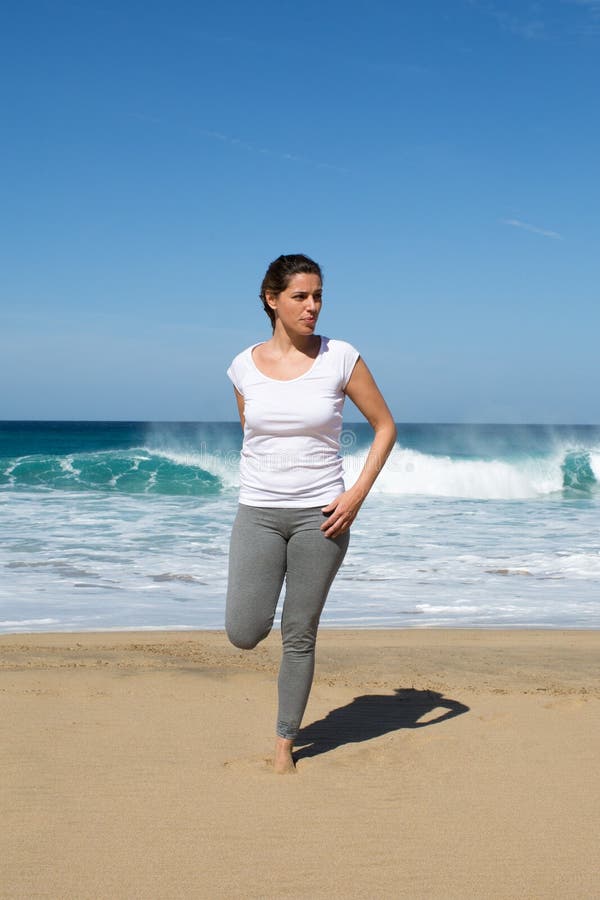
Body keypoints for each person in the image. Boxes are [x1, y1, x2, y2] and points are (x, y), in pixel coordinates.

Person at [225, 253, 397, 773]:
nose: (313, 306)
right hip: (257, 512)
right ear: (271, 300)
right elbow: (251, 437)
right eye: (301, 296)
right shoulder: (240, 367)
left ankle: (284, 742)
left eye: (318, 295)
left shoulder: (340, 357)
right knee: (244, 631)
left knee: (299, 631)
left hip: (322, 516)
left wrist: (355, 495)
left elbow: (385, 427)